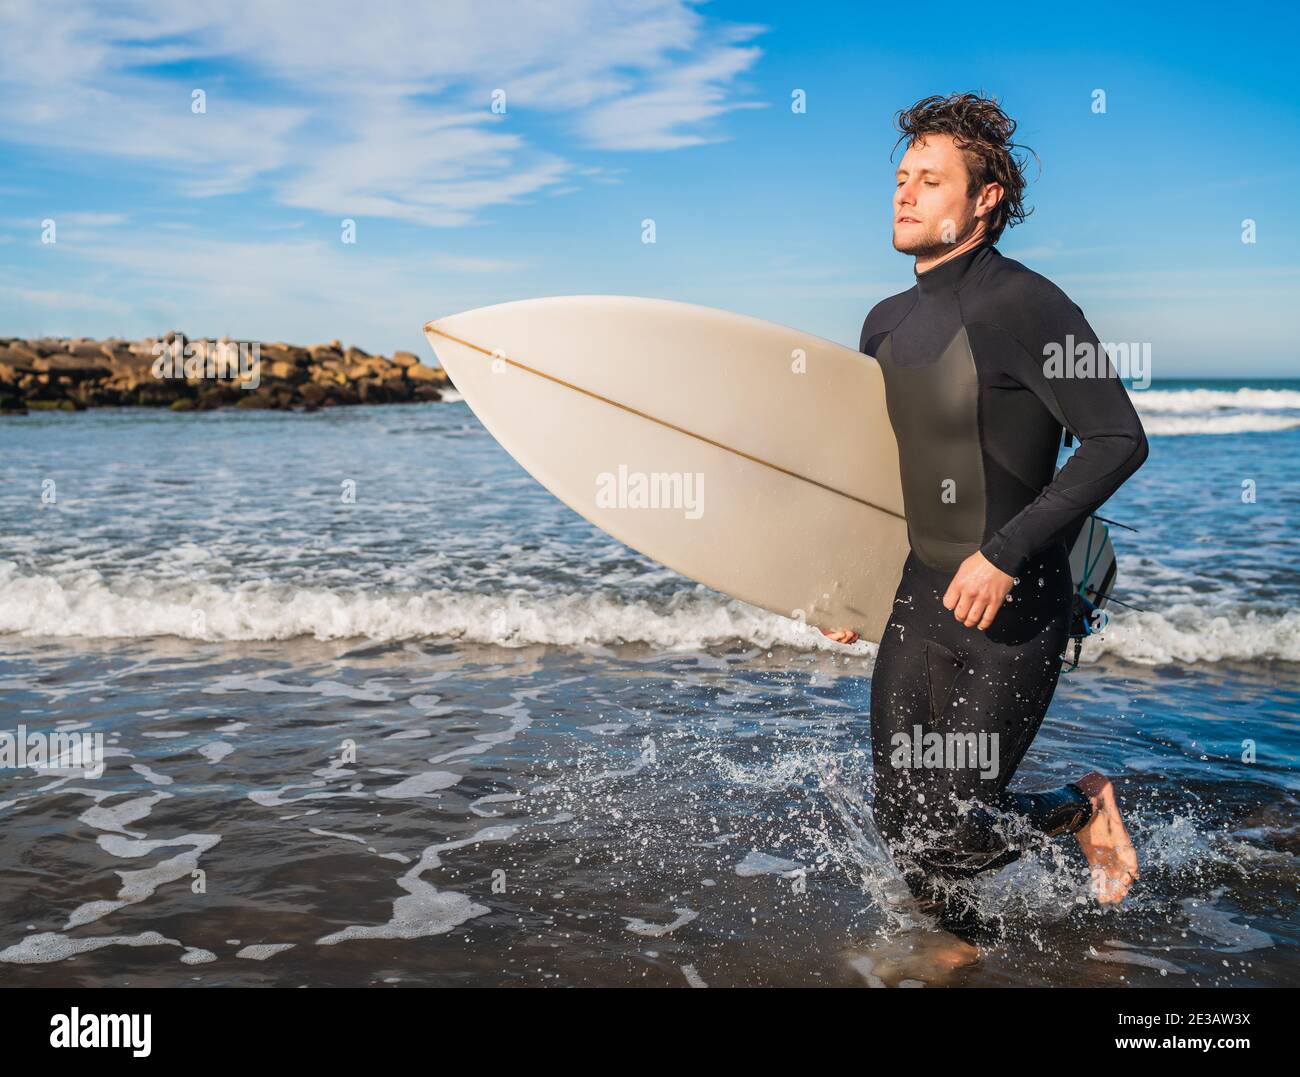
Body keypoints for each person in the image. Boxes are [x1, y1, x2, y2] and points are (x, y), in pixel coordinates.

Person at [823, 93, 1147, 944]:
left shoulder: (1028, 306)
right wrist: (849, 582)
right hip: (917, 599)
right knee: (908, 832)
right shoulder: (882, 324)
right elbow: (879, 474)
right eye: (902, 178)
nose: (905, 194)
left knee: (955, 829)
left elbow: (1118, 439)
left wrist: (1002, 555)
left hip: (1015, 606)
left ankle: (1082, 811)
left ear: (984, 198)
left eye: (931, 181)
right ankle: (969, 953)